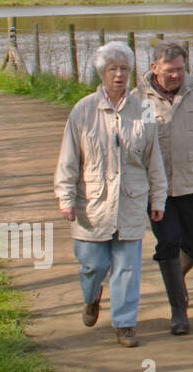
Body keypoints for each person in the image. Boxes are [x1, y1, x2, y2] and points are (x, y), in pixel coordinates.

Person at [54, 41, 167, 347]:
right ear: (101, 72)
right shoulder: (83, 110)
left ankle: (125, 324)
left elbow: (153, 160)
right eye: (112, 69)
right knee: (93, 265)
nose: (119, 75)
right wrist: (65, 198)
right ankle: (91, 298)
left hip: (130, 201)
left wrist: (158, 199)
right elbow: (68, 159)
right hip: (92, 203)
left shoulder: (143, 109)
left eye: (124, 69)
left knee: (127, 267)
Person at [137, 39, 193, 335]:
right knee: (169, 242)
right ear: (154, 68)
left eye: (181, 70)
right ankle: (178, 309)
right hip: (158, 188)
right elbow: (138, 142)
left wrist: (191, 154)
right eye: (170, 70)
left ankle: (175, 281)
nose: (176, 75)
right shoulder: (140, 99)